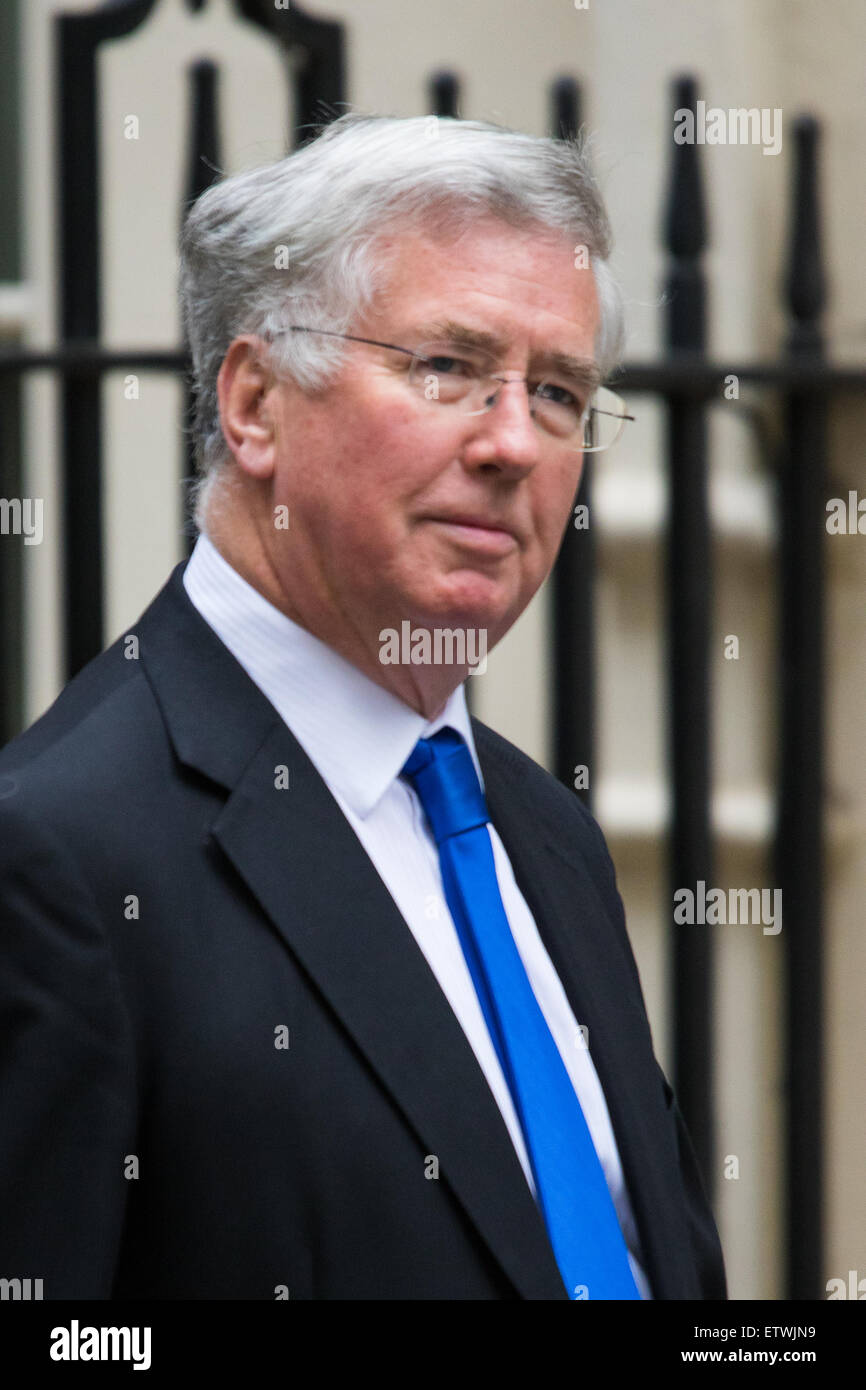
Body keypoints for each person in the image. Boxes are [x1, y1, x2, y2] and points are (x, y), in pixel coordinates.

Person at [0, 113, 725, 1300]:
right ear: (254, 404)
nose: (512, 442)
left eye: (556, 391)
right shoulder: (57, 852)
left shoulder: (539, 831)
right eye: (446, 366)